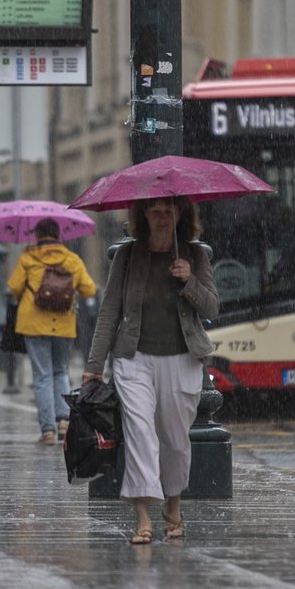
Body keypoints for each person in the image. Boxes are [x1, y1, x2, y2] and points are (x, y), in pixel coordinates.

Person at [83, 197, 218, 544]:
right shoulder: (128, 256)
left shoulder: (196, 254)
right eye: (155, 210)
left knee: (174, 440)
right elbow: (109, 311)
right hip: (134, 358)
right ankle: (142, 517)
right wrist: (94, 367)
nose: (162, 217)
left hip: (182, 358)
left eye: (168, 210)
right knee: (140, 433)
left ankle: (173, 504)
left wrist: (188, 280)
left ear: (180, 214)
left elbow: (212, 307)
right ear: (143, 214)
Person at [7, 218, 97, 445]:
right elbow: (89, 290)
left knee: (42, 376)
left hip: (33, 322)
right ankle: (64, 421)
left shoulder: (28, 257)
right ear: (58, 235)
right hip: (64, 323)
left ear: (37, 235)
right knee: (60, 371)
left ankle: (47, 430)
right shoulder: (71, 259)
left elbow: (14, 287)